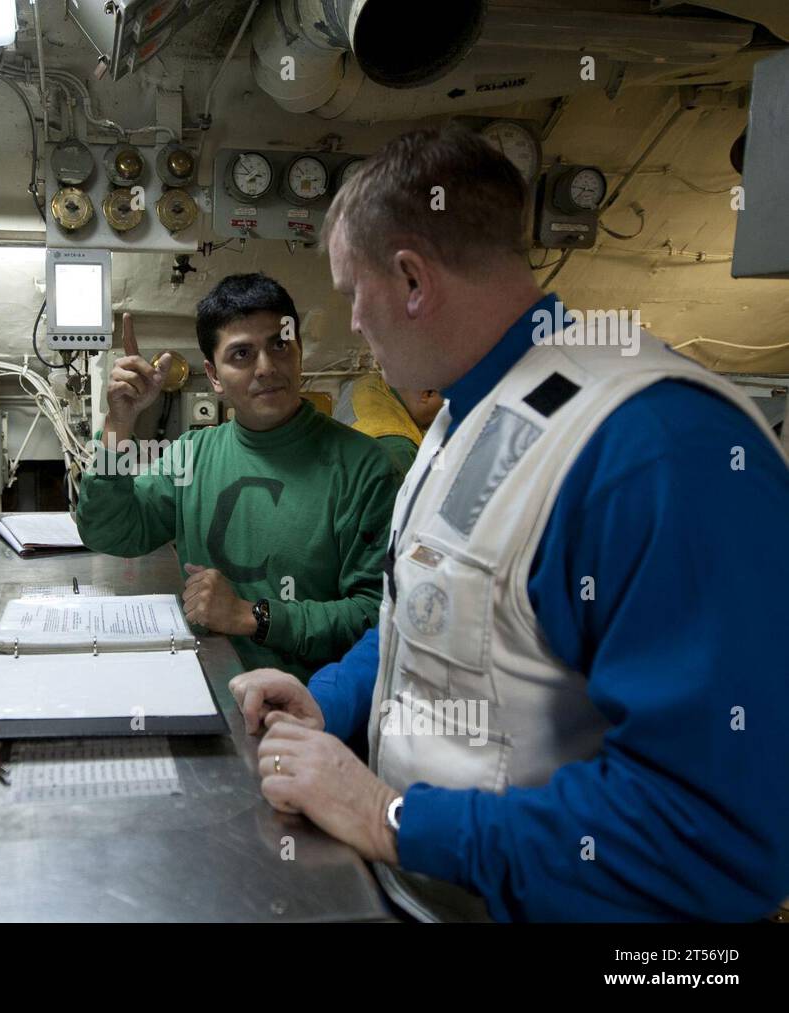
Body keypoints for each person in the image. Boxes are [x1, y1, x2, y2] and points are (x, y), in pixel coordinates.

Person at [230, 123, 789, 921]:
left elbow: (709, 834)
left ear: (412, 279)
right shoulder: (470, 415)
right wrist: (335, 699)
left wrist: (392, 818)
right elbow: (431, 614)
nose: (352, 323)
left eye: (353, 294)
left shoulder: (653, 449)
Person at [75, 273, 398, 681]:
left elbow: (378, 615)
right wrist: (120, 424)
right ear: (213, 376)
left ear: (300, 352)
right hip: (206, 690)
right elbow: (108, 532)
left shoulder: (363, 467)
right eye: (242, 355)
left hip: (310, 712)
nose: (266, 368)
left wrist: (254, 617)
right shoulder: (193, 455)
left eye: (280, 345)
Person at [349, 371, 444, 480]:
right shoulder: (400, 450)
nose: (450, 411)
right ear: (428, 393)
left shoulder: (367, 383)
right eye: (448, 401)